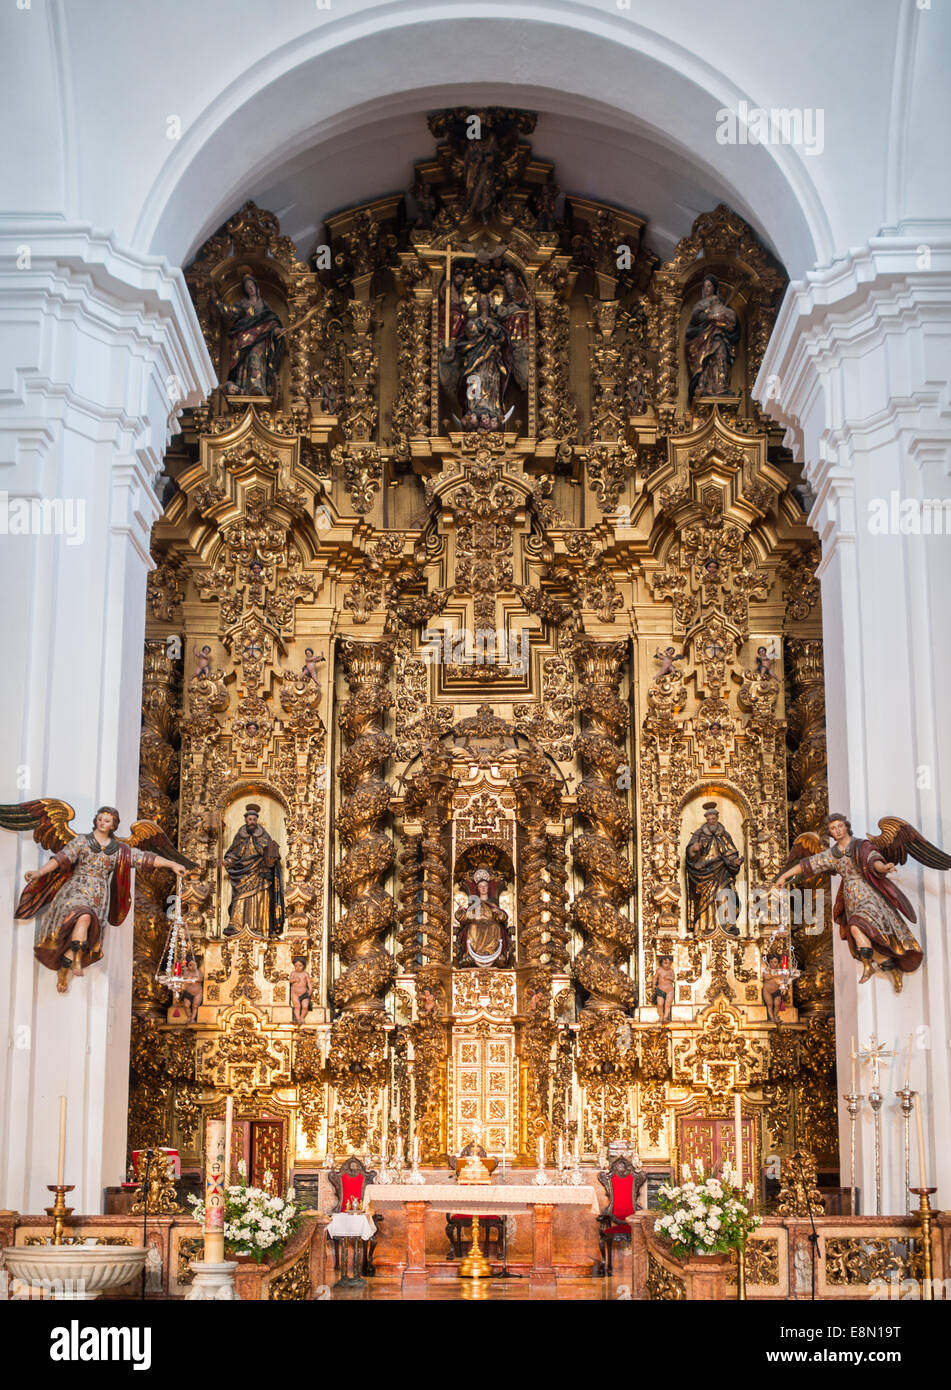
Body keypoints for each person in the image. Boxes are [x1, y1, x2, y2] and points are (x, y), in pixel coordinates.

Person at [5, 804, 186, 994]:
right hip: (76, 889)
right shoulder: (82, 842)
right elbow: (60, 859)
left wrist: (171, 864)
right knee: (82, 917)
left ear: (113, 825)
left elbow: (145, 858)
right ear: (96, 821)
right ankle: (75, 959)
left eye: (107, 820)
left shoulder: (119, 850)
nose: (102, 823)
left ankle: (70, 959)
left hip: (98, 895)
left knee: (85, 920)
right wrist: (39, 872)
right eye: (100, 819)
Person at [775, 812, 948, 990]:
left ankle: (868, 967)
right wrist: (784, 876)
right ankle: (886, 965)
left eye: (839, 826)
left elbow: (873, 860)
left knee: (858, 927)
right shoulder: (832, 855)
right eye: (833, 828)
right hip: (851, 898)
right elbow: (807, 864)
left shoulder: (861, 846)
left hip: (869, 895)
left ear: (846, 826)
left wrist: (884, 867)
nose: (837, 830)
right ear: (831, 833)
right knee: (860, 932)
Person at [216, 274, 286, 398]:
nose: (251, 289)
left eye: (252, 286)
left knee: (256, 356)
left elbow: (270, 321)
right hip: (244, 339)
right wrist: (216, 302)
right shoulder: (243, 304)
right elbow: (230, 313)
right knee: (243, 362)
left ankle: (257, 386)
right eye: (248, 287)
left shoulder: (263, 305)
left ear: (256, 286)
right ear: (245, 290)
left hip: (260, 338)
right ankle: (242, 388)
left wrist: (277, 330)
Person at [223, 803, 285, 938]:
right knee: (239, 899)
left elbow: (270, 852)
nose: (252, 822)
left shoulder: (263, 835)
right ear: (245, 819)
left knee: (260, 899)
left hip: (259, 873)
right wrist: (227, 861)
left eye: (254, 820)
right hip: (243, 873)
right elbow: (234, 853)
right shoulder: (240, 835)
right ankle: (236, 926)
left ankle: (260, 928)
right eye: (250, 819)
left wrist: (271, 856)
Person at [685, 801, 743, 937]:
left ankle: (727, 926)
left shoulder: (724, 834)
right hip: (704, 872)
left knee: (726, 897)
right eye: (709, 819)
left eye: (713, 818)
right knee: (706, 901)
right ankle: (706, 927)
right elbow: (690, 853)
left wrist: (735, 861)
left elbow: (731, 851)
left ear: (717, 818)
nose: (711, 821)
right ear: (706, 819)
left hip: (722, 871)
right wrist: (694, 849)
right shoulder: (699, 833)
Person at [685, 273, 740, 402]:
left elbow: (733, 323)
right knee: (705, 360)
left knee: (720, 357)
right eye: (705, 287)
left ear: (714, 287)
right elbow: (695, 318)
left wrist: (724, 320)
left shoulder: (721, 303)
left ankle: (720, 386)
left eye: (709, 286)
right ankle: (704, 387)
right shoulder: (701, 304)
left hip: (719, 336)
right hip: (703, 337)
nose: (707, 289)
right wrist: (711, 316)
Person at [289, 956, 313, 1024]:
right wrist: (294, 980)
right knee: (297, 1006)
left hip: (304, 993)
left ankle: (302, 1017)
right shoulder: (293, 973)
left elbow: (309, 983)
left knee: (305, 1006)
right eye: (296, 966)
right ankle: (298, 1018)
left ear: (304, 966)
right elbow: (290, 981)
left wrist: (310, 989)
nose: (297, 967)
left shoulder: (305, 974)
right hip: (294, 992)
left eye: (300, 965)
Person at [652, 955, 675, 1023]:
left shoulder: (671, 970)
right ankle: (661, 1015)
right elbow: (655, 978)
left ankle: (665, 1017)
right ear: (661, 963)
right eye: (665, 963)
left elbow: (673, 978)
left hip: (669, 989)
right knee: (660, 1004)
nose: (667, 965)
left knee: (667, 1004)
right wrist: (653, 984)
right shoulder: (659, 970)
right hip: (661, 989)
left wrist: (668, 977)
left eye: (669, 963)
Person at [762, 954, 785, 1023]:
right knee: (770, 1004)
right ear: (769, 962)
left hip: (776, 990)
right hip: (767, 991)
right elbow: (766, 977)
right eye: (771, 962)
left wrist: (783, 987)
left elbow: (782, 980)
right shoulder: (767, 969)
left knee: (777, 1004)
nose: (773, 964)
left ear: (778, 963)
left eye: (775, 962)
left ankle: (775, 1016)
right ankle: (771, 1018)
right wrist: (774, 975)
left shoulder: (780, 971)